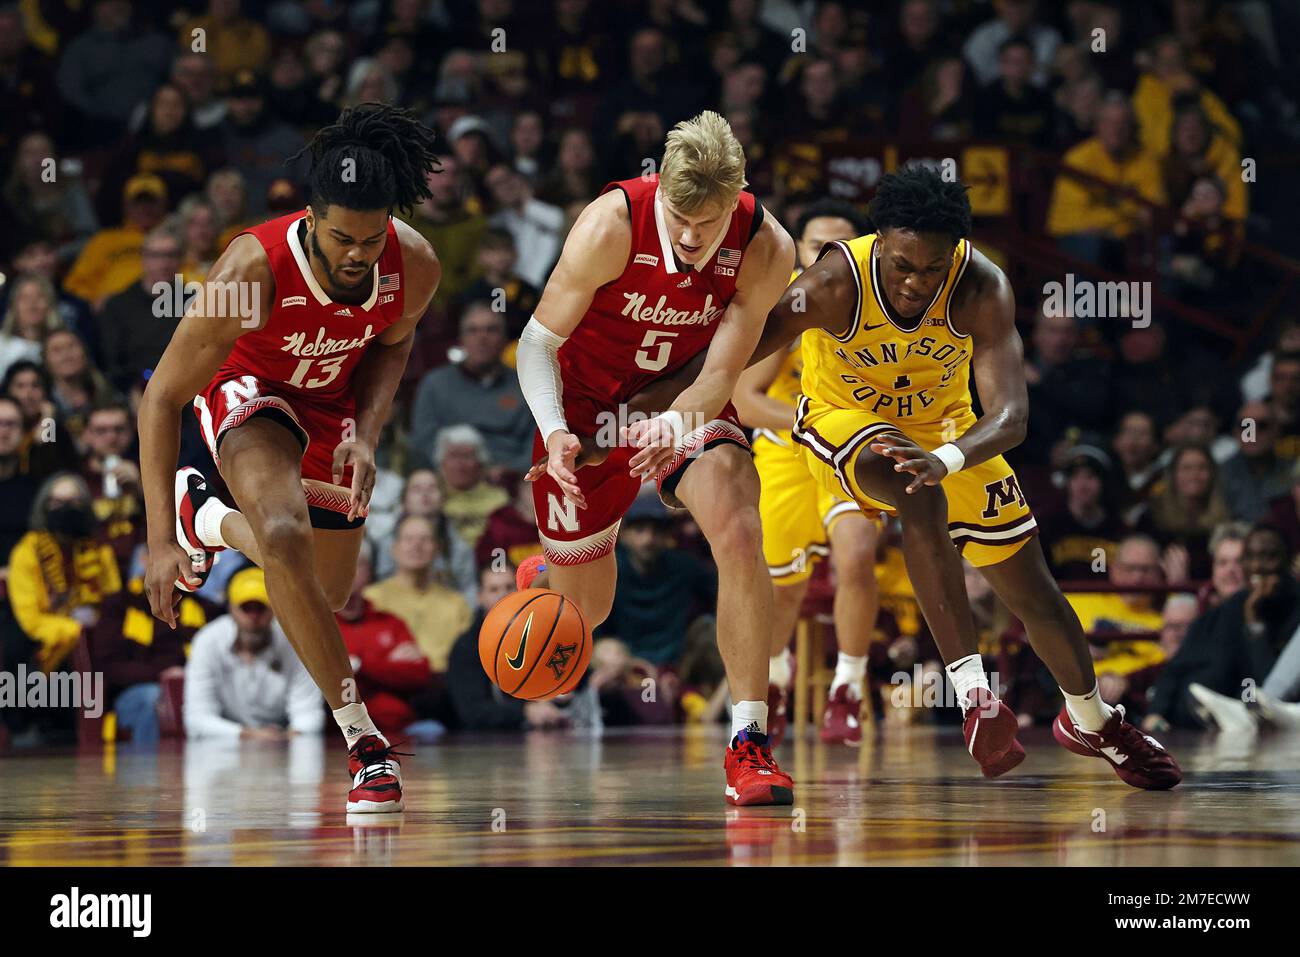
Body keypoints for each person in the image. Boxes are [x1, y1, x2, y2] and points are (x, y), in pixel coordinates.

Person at [739, 164, 1180, 788]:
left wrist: (948, 457)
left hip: (947, 432)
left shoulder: (983, 284)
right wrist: (653, 413)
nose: (918, 281)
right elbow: (731, 351)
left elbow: (1011, 415)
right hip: (842, 422)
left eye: (932, 267)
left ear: (956, 254)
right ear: (881, 243)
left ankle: (1092, 719)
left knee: (1035, 592)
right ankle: (973, 692)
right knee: (913, 493)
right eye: (903, 265)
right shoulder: (835, 280)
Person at [138, 104, 443, 813]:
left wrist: (366, 433)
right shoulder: (254, 267)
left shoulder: (415, 264)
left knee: (322, 594)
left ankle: (206, 518)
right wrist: (155, 543)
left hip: (334, 401)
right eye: (341, 236)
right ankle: (366, 744)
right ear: (310, 217)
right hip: (251, 390)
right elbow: (161, 398)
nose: (357, 254)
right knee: (282, 538)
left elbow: (392, 346)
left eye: (371, 238)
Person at [517, 111, 797, 805]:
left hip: (681, 397)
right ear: (659, 189)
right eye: (679, 217)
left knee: (739, 528)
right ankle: (548, 577)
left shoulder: (766, 248)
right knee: (582, 624)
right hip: (581, 408)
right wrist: (553, 430)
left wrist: (672, 422)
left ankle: (749, 743)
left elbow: (720, 374)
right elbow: (536, 344)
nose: (693, 237)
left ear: (736, 196)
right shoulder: (609, 225)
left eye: (709, 220)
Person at [732, 197, 877, 745]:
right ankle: (775, 678)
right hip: (788, 449)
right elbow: (745, 401)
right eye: (816, 244)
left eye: (837, 245)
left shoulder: (877, 302)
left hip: (851, 451)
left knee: (858, 555)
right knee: (784, 589)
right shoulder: (790, 302)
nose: (826, 255)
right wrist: (809, 421)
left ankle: (848, 689)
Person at [183, 567, 325, 740]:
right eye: (246, 608)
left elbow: (309, 714)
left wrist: (287, 736)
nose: (253, 616)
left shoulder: (297, 642)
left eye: (260, 607)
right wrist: (250, 735)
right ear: (231, 609)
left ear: (274, 609)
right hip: (227, 744)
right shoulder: (207, 641)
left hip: (283, 743)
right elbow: (197, 720)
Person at [408, 304, 533, 474]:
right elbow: (423, 442)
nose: (482, 337)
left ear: (505, 339)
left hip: (511, 479)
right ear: (461, 339)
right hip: (449, 481)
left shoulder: (525, 386)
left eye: (491, 330)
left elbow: (535, 443)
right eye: (472, 330)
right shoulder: (434, 384)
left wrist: (514, 472)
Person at [363, 513, 473, 673]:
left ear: (437, 549)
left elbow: (465, 657)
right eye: (408, 539)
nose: (417, 545)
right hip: (388, 681)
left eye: (425, 539)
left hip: (443, 685)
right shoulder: (372, 598)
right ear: (394, 549)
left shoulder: (457, 603)